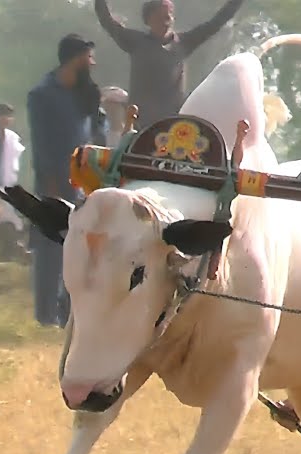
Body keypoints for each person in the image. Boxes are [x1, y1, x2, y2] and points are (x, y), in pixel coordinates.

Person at [26, 33, 102, 328]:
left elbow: (97, 131)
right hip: (54, 181)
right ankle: (45, 315)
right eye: (88, 57)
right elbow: (41, 142)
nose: (92, 63)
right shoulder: (42, 94)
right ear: (74, 59)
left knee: (80, 249)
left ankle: (68, 314)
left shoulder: (86, 93)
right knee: (50, 248)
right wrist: (50, 182)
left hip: (85, 182)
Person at [93, 0, 244, 129]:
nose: (167, 19)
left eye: (169, 15)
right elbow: (107, 20)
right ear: (149, 19)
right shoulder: (135, 42)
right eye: (161, 16)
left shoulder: (184, 43)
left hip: (173, 125)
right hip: (139, 124)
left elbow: (216, 22)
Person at [0, 102, 27, 261]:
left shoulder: (12, 139)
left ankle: (11, 249)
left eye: (8, 116)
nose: (4, 119)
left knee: (9, 217)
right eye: (1, 115)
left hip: (7, 184)